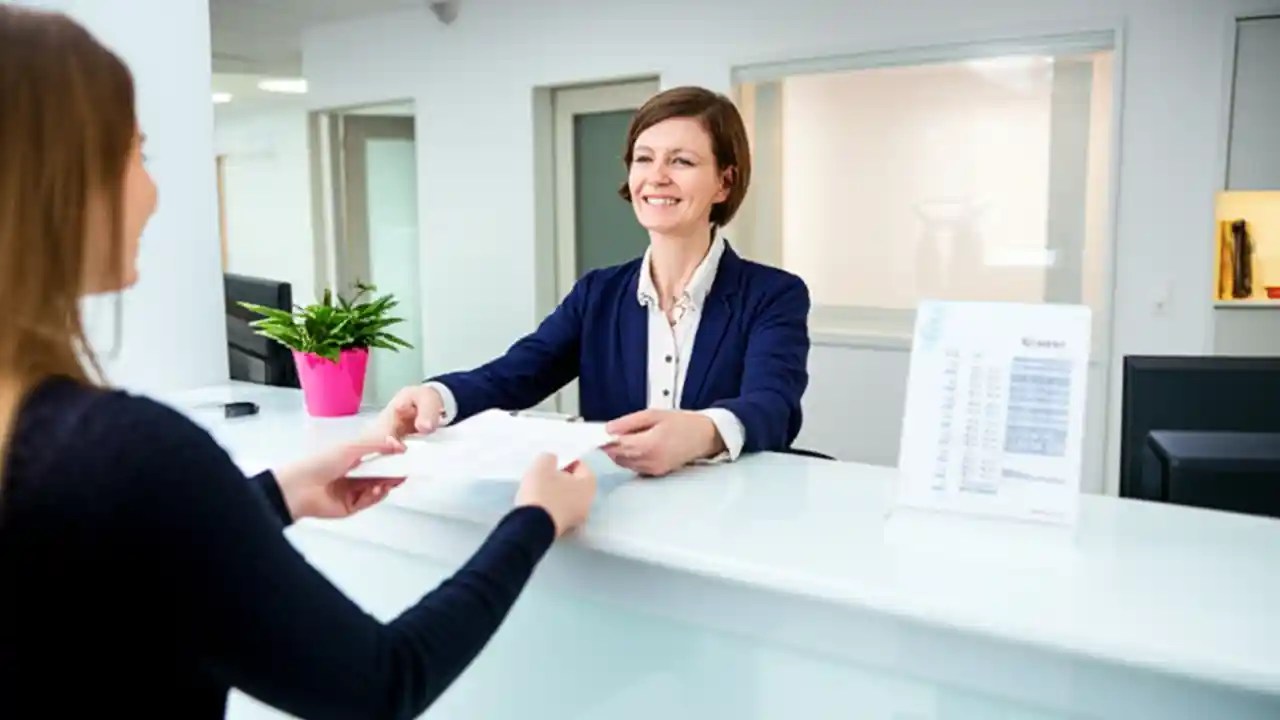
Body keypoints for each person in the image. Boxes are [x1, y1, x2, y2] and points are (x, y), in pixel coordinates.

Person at [0, 7, 595, 718]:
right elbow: (382, 683)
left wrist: (272, 496)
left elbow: (122, 561)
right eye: (136, 154)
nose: (154, 194)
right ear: (60, 182)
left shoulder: (82, 459)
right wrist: (533, 521)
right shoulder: (124, 455)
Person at [377, 86, 811, 477]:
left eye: (681, 160)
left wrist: (703, 431)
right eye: (644, 158)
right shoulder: (597, 294)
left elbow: (773, 406)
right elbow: (516, 374)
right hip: (615, 512)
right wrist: (437, 395)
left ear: (724, 181)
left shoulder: (773, 295)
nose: (656, 176)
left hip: (730, 517)